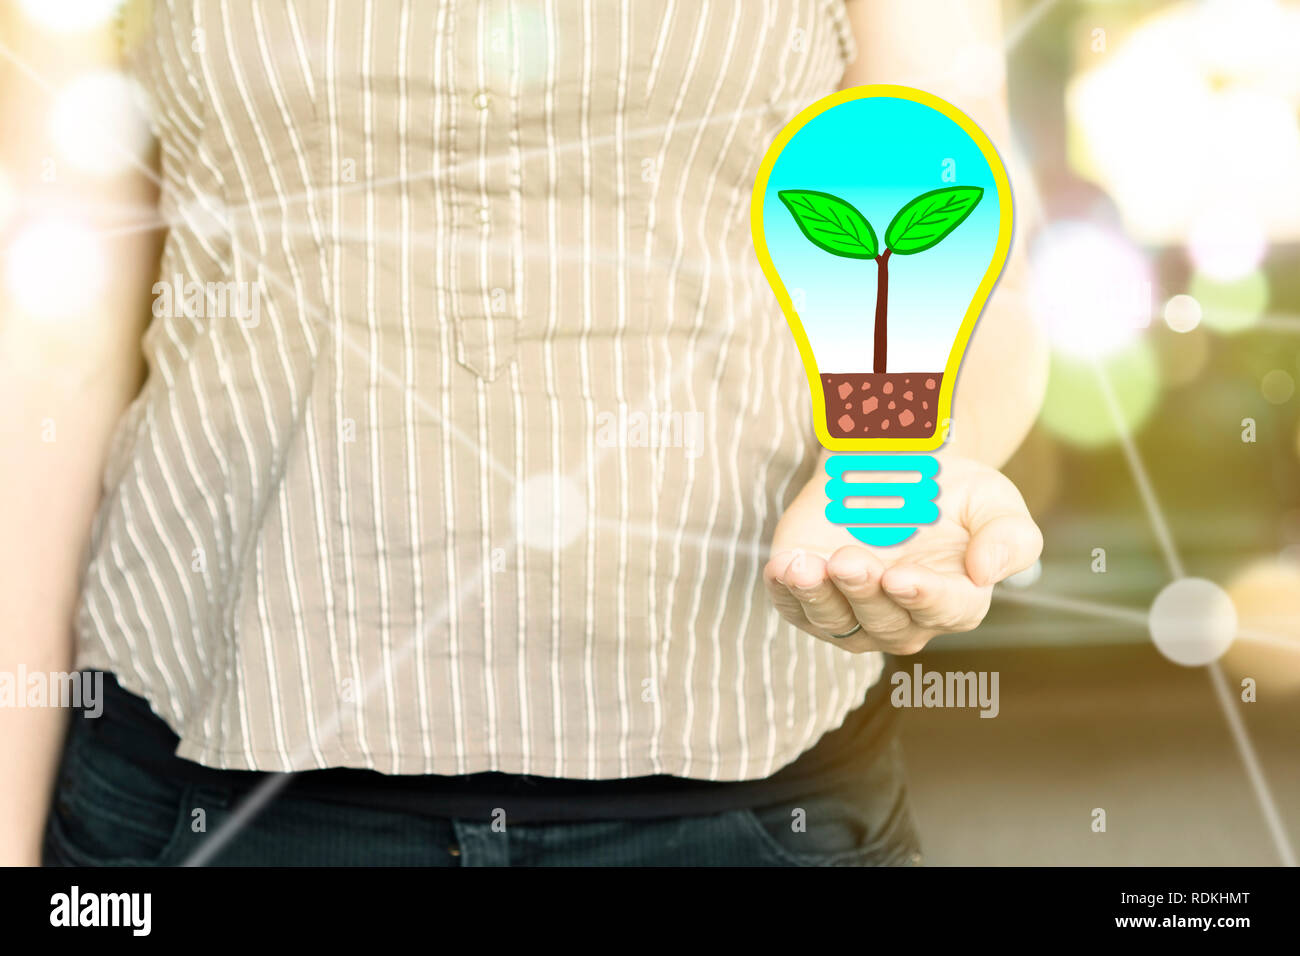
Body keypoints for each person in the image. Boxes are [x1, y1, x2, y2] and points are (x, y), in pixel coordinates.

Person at [1, 0, 1044, 867]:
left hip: (745, 797)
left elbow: (957, 208)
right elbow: (48, 342)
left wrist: (921, 468)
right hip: (211, 793)